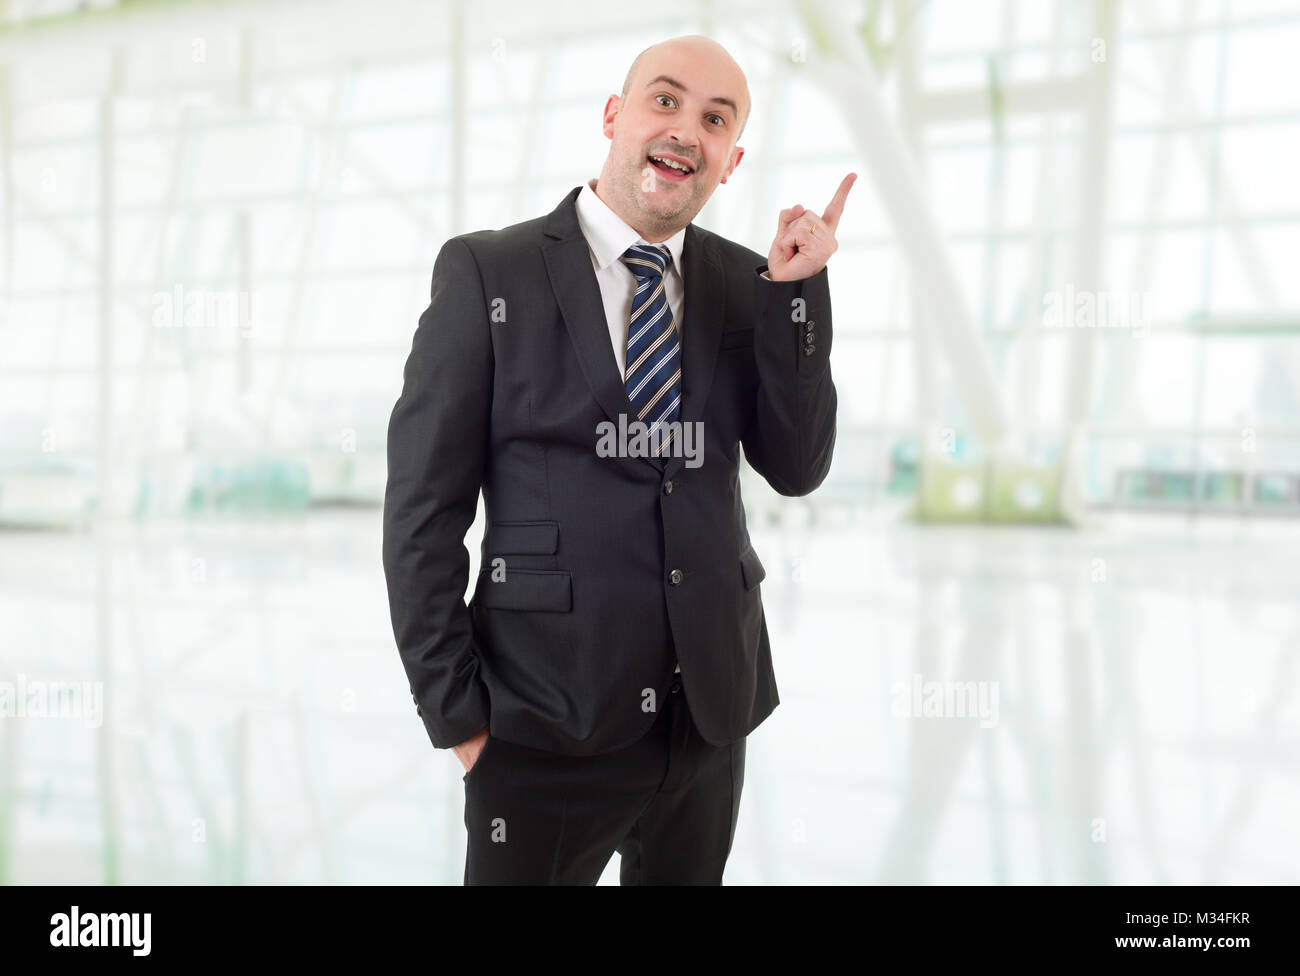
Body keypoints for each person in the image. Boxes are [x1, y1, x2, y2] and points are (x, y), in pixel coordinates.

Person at [382, 33, 854, 884]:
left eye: (715, 119)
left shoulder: (751, 284)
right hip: (540, 729)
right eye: (665, 101)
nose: (686, 130)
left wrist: (797, 300)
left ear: (731, 161)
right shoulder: (491, 272)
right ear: (614, 115)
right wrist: (461, 724)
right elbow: (421, 514)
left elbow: (796, 466)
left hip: (707, 721)